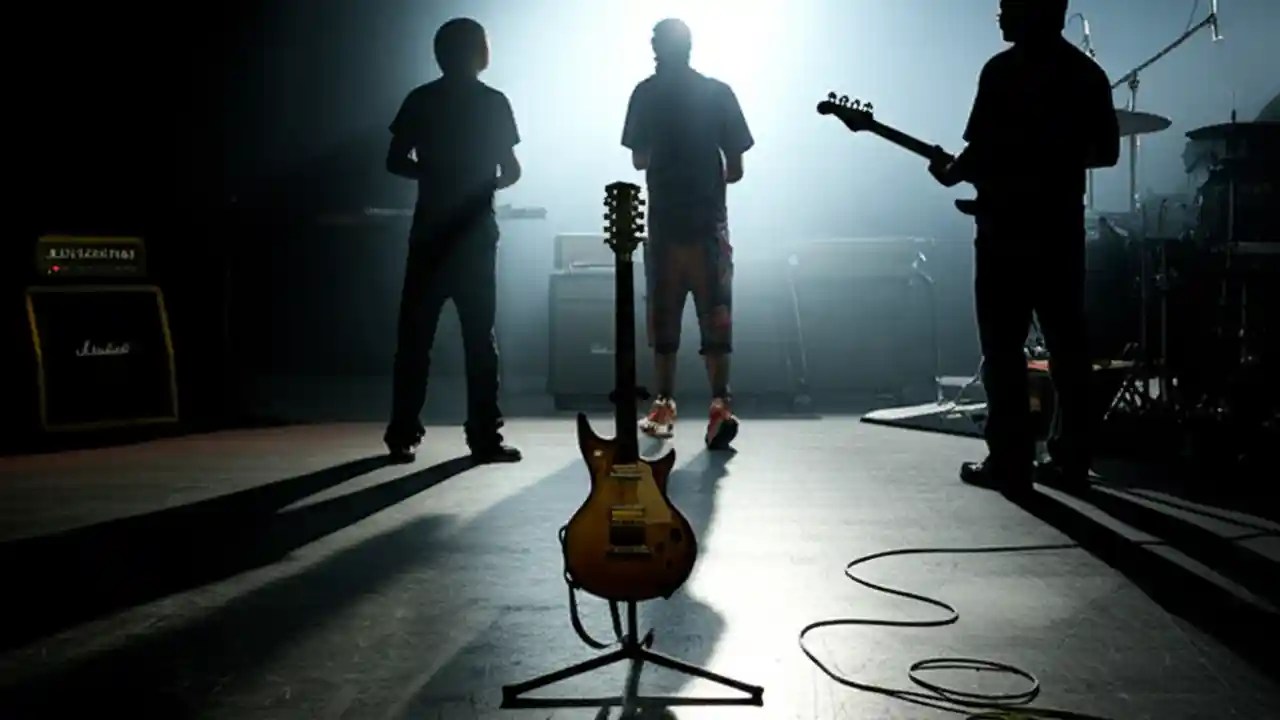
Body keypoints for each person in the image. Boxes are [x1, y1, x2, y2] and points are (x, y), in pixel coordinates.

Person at [928, 0, 1120, 491]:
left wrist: (960, 172)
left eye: (1008, 5)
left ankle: (1010, 463)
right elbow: (1108, 152)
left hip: (1004, 233)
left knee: (1003, 351)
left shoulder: (1000, 72)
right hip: (1059, 230)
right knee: (1067, 350)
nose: (1000, 15)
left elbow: (981, 150)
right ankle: (1072, 463)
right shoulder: (1087, 74)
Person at [383, 18, 523, 464]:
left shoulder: (421, 99)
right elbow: (513, 170)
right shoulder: (494, 103)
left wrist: (435, 175)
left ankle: (402, 433)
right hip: (476, 235)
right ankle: (484, 436)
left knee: (415, 338)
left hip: (429, 235)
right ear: (481, 53)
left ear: (440, 53)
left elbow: (394, 161)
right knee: (480, 340)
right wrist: (484, 184)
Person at [621, 18, 754, 449]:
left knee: (664, 317)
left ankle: (663, 404)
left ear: (655, 48)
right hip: (709, 225)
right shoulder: (718, 92)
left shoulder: (645, 93)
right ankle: (720, 406)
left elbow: (639, 161)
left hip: (665, 223)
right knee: (716, 315)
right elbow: (735, 168)